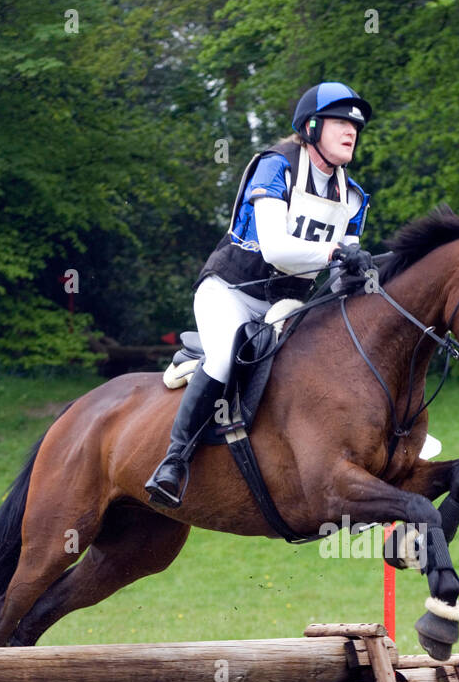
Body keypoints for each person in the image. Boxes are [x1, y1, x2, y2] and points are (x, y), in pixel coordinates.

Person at [145, 81, 373, 508]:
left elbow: (338, 275)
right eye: (341, 122)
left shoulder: (354, 197)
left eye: (355, 127)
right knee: (224, 356)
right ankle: (174, 461)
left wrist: (357, 274)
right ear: (310, 127)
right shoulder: (275, 167)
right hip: (230, 291)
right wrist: (335, 252)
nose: (351, 132)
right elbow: (277, 249)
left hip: (287, 305)